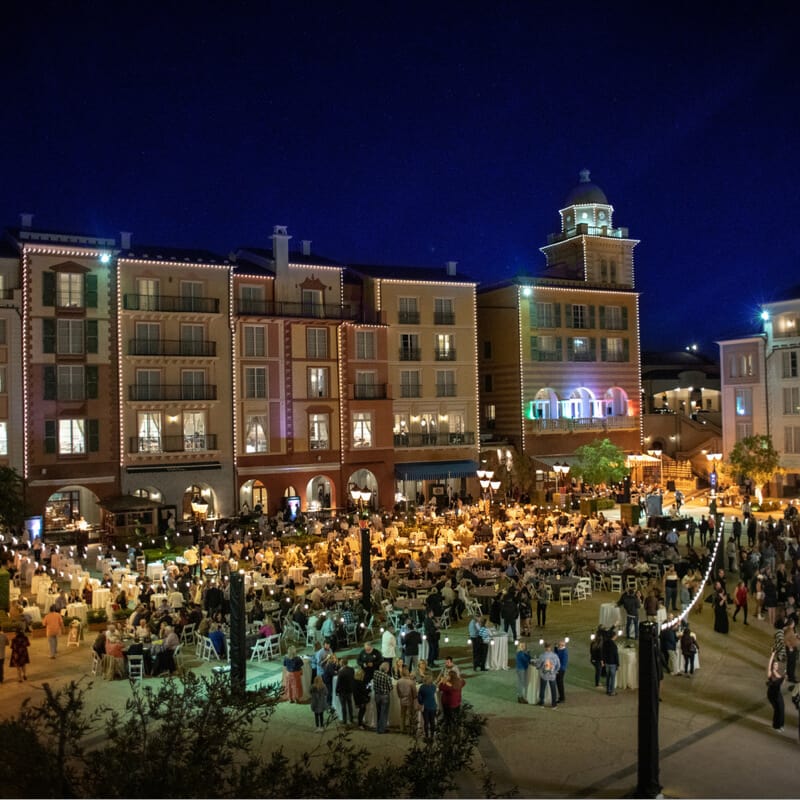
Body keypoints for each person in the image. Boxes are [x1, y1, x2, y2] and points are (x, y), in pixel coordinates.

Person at [535, 642, 560, 708]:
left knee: (542, 689)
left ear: (545, 647)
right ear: (550, 647)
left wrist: (538, 667)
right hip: (552, 675)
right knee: (553, 690)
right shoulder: (555, 656)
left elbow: (538, 665)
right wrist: (555, 671)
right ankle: (554, 704)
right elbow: (558, 665)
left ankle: (542, 703)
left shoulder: (542, 656)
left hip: (544, 675)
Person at [766, 650, 785, 732]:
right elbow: (769, 664)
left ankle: (781, 725)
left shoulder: (778, 674)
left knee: (782, 708)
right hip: (772, 694)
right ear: (772, 666)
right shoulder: (770, 673)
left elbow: (782, 683)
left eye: (777, 665)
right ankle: (776, 726)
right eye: (774, 664)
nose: (776, 666)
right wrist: (773, 655)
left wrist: (785, 676)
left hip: (778, 693)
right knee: (777, 709)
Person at [372, 661, 393, 734]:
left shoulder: (375, 673)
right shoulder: (387, 677)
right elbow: (391, 687)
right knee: (384, 713)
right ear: (387, 669)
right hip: (384, 696)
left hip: (377, 695)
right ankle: (382, 729)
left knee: (378, 712)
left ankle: (378, 728)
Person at [417, 672, 438, 739]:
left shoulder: (422, 687)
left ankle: (426, 735)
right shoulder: (433, 687)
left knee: (426, 722)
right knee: (432, 721)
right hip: (433, 706)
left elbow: (419, 698)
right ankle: (432, 735)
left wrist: (421, 703)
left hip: (425, 706)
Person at [336, 656, 355, 726]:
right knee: (350, 705)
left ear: (342, 663)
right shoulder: (351, 669)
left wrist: (337, 691)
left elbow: (338, 683)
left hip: (342, 691)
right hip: (349, 690)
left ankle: (344, 720)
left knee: (343, 706)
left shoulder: (341, 672)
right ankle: (351, 719)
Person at [601, 630, 620, 696]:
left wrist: (603, 661)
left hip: (607, 663)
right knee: (612, 678)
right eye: (616, 635)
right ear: (613, 636)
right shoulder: (614, 645)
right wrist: (618, 664)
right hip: (612, 663)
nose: (616, 636)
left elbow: (603, 652)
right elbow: (616, 655)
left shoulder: (605, 643)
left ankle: (608, 690)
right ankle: (612, 692)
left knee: (608, 677)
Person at [554, 638, 569, 703]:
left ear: (563, 645)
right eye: (558, 645)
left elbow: (563, 662)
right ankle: (561, 697)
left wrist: (558, 670)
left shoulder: (564, 652)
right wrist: (555, 648)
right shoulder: (560, 650)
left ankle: (562, 698)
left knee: (560, 684)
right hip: (560, 669)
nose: (558, 646)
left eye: (559, 645)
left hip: (561, 670)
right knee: (559, 683)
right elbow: (556, 655)